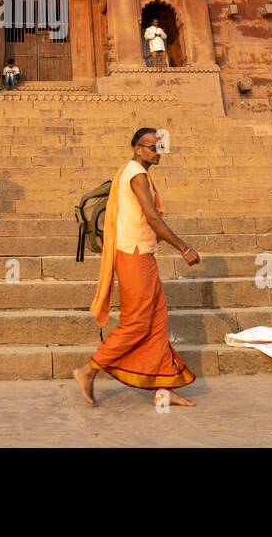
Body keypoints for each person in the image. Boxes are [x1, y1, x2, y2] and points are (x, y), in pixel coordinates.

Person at [73, 128, 200, 407]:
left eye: (159, 148)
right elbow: (153, 219)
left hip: (142, 252)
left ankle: (163, 389)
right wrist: (184, 247)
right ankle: (89, 369)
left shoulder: (133, 171)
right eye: (152, 148)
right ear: (137, 148)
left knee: (157, 321)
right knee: (138, 320)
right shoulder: (136, 175)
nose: (157, 153)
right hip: (133, 253)